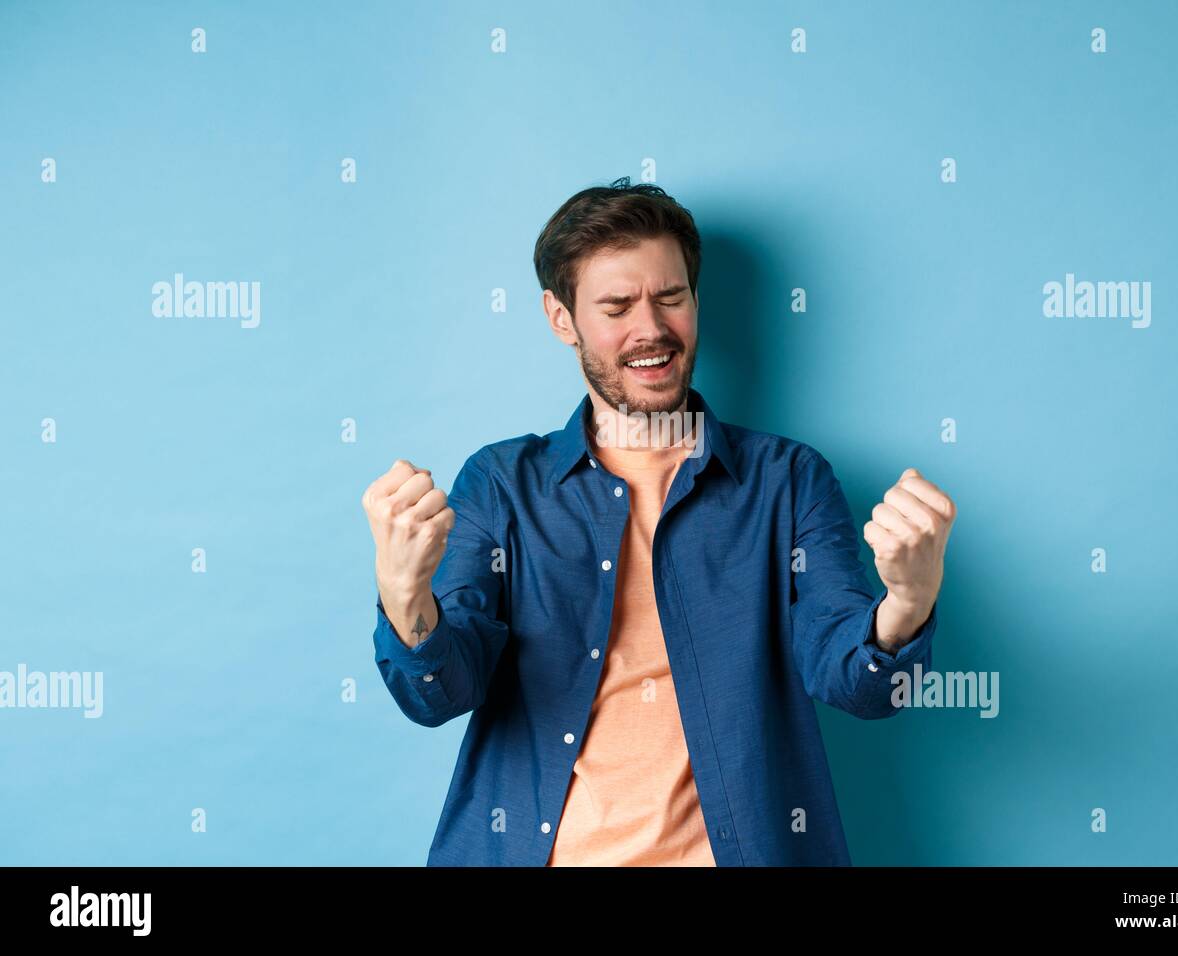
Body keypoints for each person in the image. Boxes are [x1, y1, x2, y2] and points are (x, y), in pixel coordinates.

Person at [361, 177, 957, 866]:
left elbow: (861, 688)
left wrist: (908, 602)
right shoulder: (501, 484)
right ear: (562, 319)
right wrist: (405, 594)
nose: (651, 329)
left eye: (670, 298)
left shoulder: (788, 481)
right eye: (616, 307)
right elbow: (438, 694)